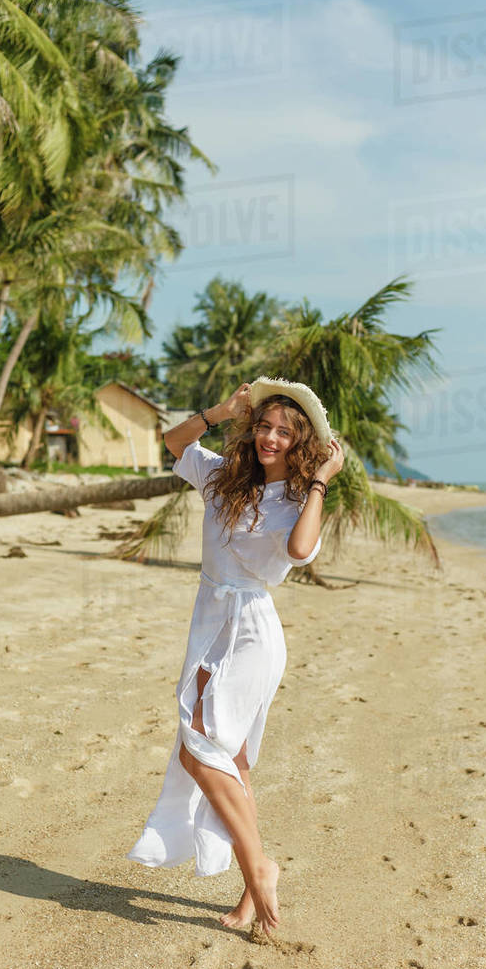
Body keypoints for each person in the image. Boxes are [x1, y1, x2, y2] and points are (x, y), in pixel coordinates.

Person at [126, 376, 344, 936]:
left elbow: (299, 552)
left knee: (200, 750)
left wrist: (321, 480)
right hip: (209, 622)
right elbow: (174, 443)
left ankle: (260, 867)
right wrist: (222, 410)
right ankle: (254, 886)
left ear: (301, 445)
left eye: (285, 433)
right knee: (233, 758)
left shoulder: (299, 500)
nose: (271, 438)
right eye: (265, 427)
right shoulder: (225, 480)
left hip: (252, 630)